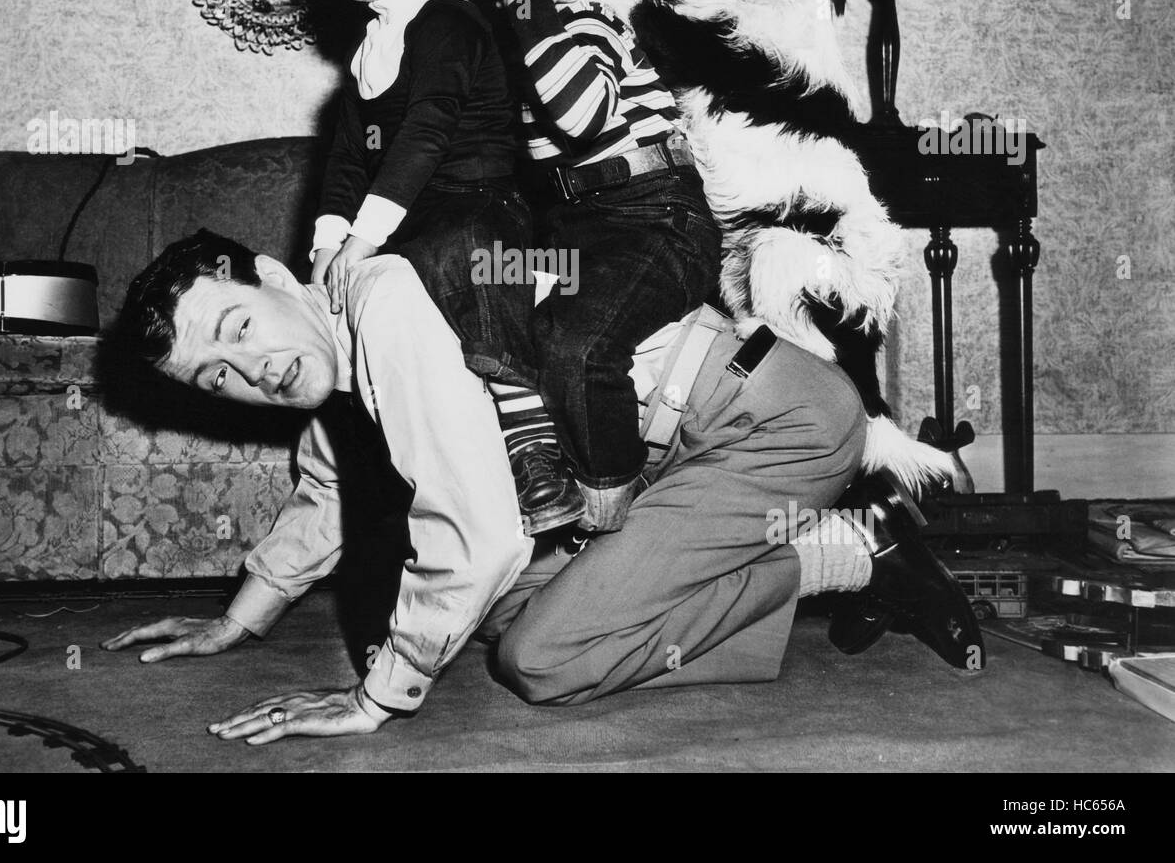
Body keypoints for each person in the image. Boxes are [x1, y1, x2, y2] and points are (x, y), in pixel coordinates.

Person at [102, 230, 983, 742]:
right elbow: (330, 487)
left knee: (542, 657)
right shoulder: (339, 350)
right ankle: (829, 547)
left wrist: (379, 694)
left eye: (237, 329)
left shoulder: (381, 300)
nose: (253, 369)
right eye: (217, 377)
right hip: (674, 453)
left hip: (772, 424)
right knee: (494, 614)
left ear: (276, 276)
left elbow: (480, 532)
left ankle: (853, 553)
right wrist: (240, 617)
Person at [458, 0, 723, 534]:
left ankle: (612, 518)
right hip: (577, 224)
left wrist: (535, 4)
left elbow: (583, 119)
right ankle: (536, 457)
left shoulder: (591, 2)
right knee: (485, 283)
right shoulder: (526, 9)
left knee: (579, 344)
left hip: (655, 219)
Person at [310, 0, 583, 535]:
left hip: (479, 206)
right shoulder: (370, 45)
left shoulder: (449, 23)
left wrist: (365, 235)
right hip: (413, 219)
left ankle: (534, 444)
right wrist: (328, 242)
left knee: (470, 256)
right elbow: (349, 158)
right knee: (367, 302)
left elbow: (424, 137)